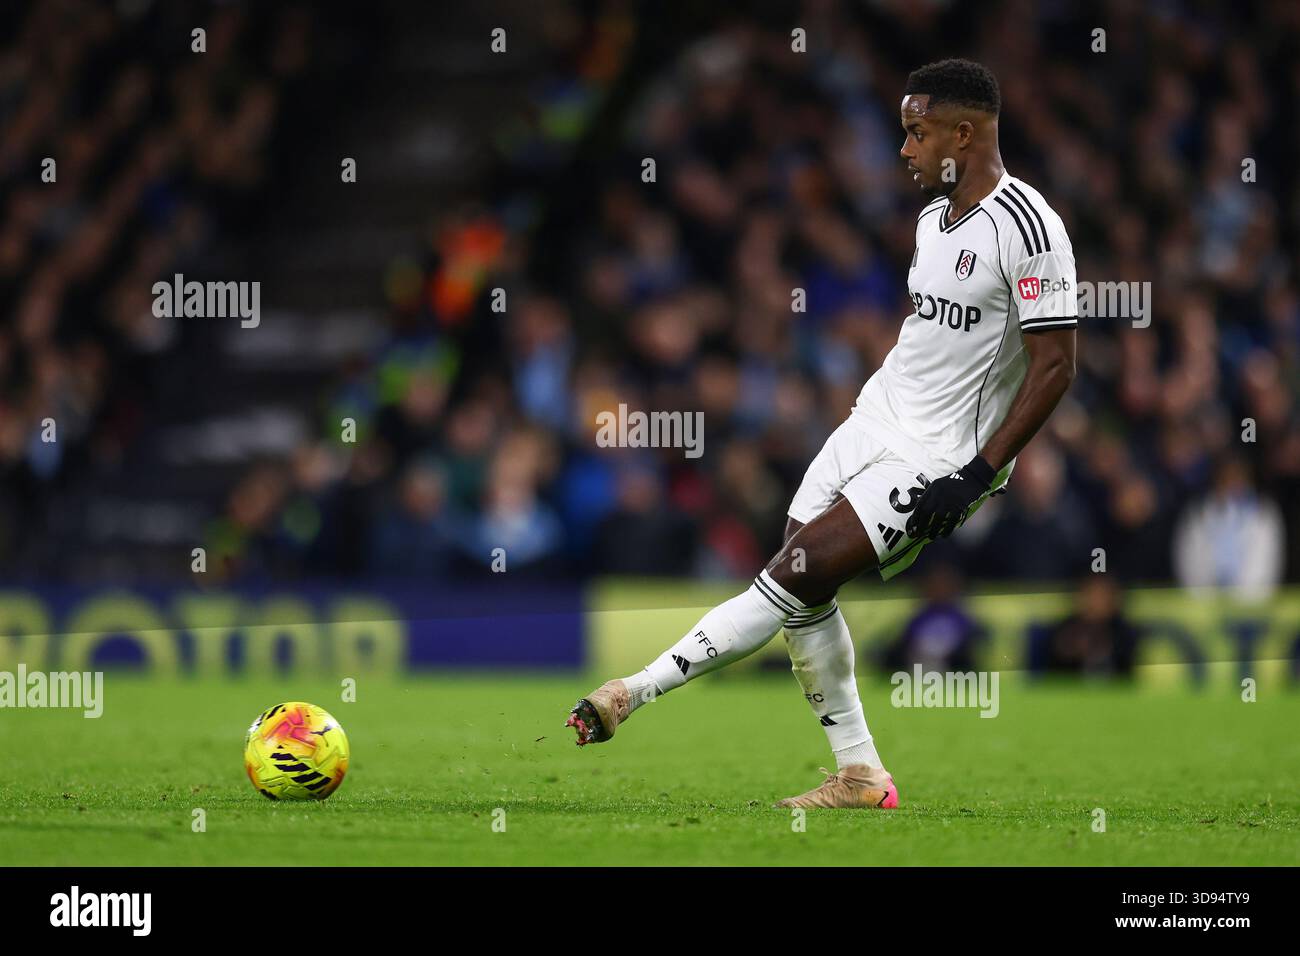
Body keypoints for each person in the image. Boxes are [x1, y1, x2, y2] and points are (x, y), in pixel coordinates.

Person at [566, 59, 1078, 809]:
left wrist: (977, 473)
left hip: (940, 455)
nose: (903, 150)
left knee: (794, 573)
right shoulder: (931, 220)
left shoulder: (1030, 228)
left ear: (963, 134)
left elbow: (1057, 365)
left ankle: (630, 692)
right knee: (802, 585)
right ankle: (861, 775)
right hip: (874, 417)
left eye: (916, 133)